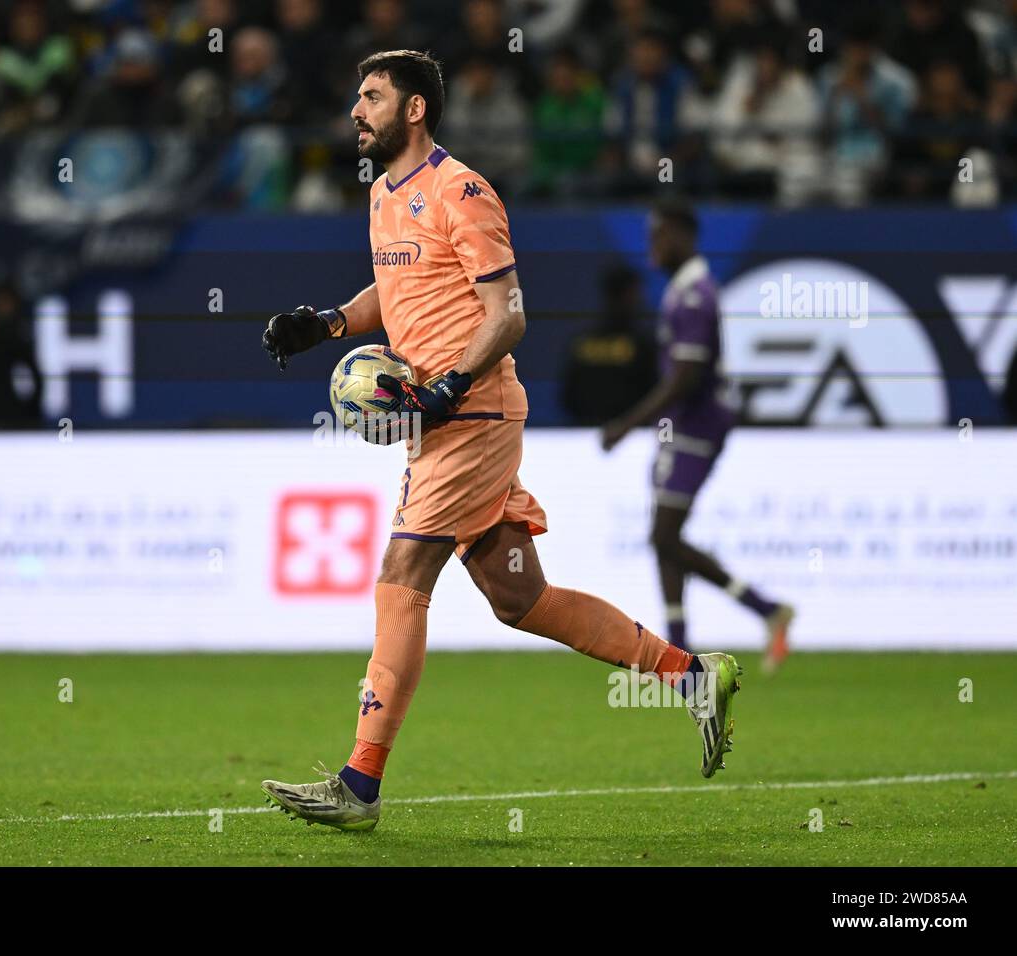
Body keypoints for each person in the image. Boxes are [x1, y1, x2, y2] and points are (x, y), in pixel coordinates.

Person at [257, 51, 741, 832]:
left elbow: (507, 312)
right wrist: (326, 323)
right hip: (442, 419)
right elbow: (399, 286)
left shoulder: (463, 190)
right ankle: (690, 677)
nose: (356, 109)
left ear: (414, 110)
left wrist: (449, 385)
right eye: (356, 96)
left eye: (372, 97)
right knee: (521, 599)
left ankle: (360, 784)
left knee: (402, 572)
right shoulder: (384, 195)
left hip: (468, 416)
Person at [601, 198, 794, 670]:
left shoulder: (694, 296)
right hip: (682, 428)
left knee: (664, 535)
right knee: (665, 537)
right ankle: (682, 652)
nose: (653, 245)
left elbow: (685, 377)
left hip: (696, 428)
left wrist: (628, 423)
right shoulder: (682, 290)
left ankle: (767, 609)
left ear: (685, 238)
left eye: (661, 235)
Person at [559, 263, 657, 426]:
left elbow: (568, 400)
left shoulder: (582, 341)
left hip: (594, 437)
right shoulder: (643, 344)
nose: (639, 300)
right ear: (624, 295)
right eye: (634, 293)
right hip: (625, 438)